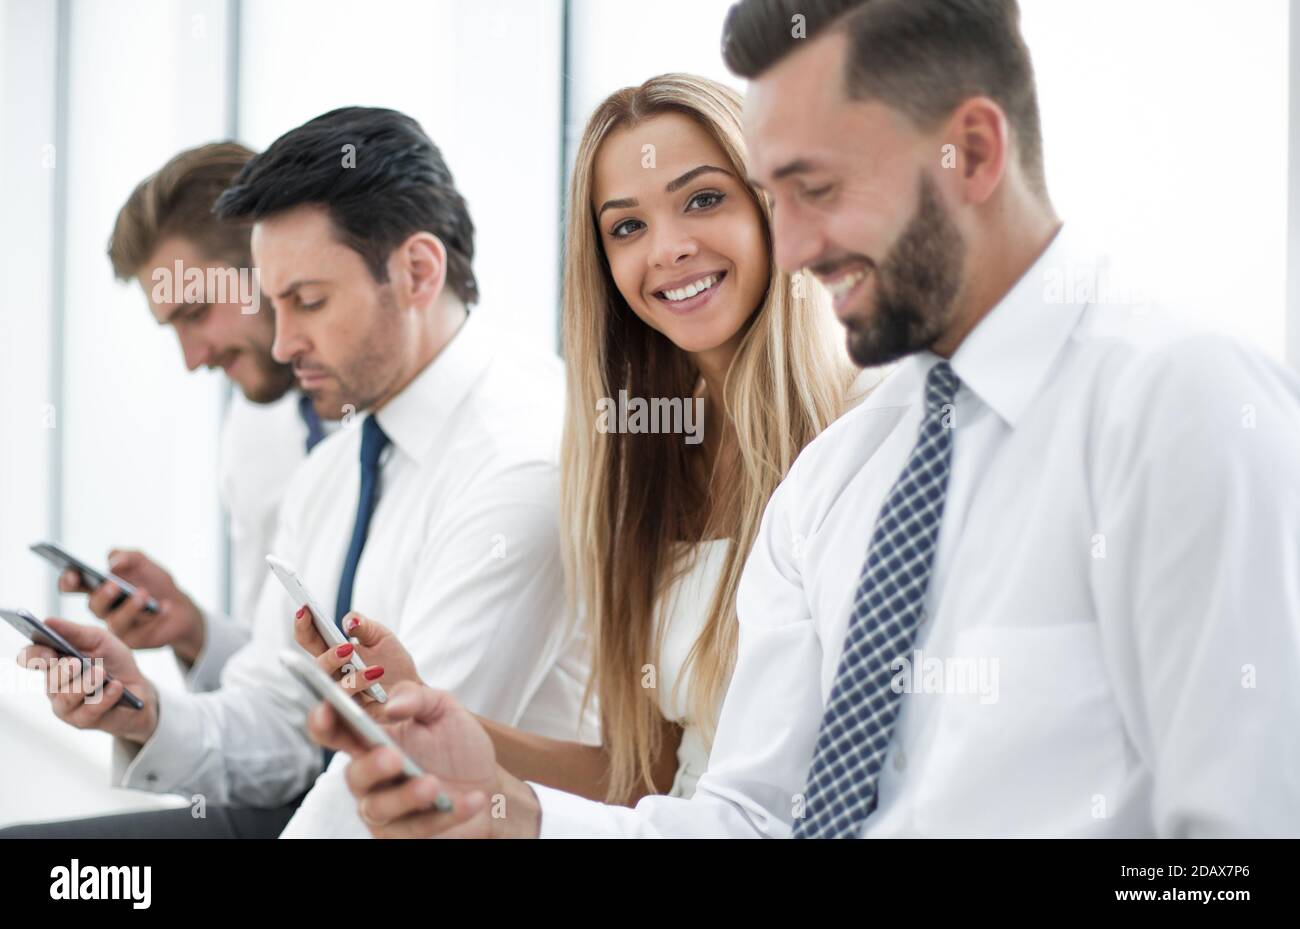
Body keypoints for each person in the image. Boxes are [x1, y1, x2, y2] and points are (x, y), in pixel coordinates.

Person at [312, 0, 1300, 838]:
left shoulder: (1178, 404)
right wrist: (511, 808)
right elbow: (748, 815)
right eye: (774, 196)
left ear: (972, 152)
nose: (787, 249)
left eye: (816, 190)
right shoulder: (841, 474)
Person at [11, 107, 596, 839]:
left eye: (308, 302)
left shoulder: (518, 461)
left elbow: (401, 760)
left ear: (417, 273)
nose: (283, 344)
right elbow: (284, 714)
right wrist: (147, 712)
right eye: (275, 304)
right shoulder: (337, 462)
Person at [290, 73, 859, 809]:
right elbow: (644, 778)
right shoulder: (648, 459)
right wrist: (429, 716)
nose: (669, 248)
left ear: (771, 203)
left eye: (703, 199)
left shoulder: (865, 431)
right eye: (627, 227)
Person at [63, 142, 323, 694]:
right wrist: (191, 631)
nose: (192, 358)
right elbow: (275, 671)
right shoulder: (252, 430)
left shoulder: (402, 427)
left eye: (198, 312)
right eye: (174, 327)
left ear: (272, 263)